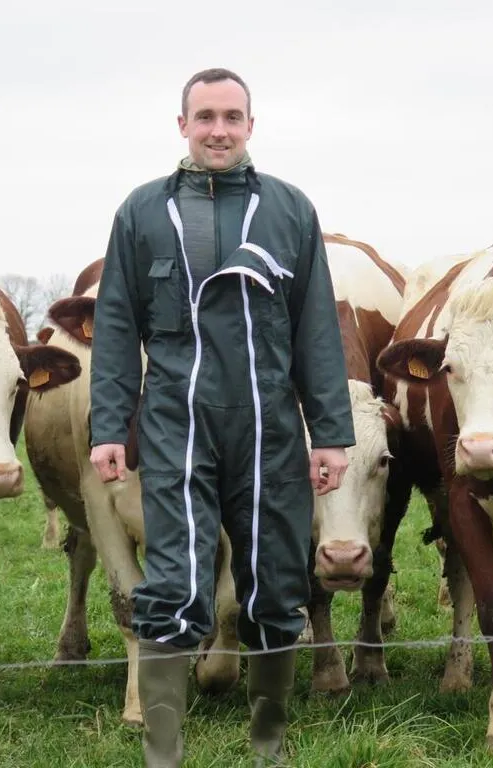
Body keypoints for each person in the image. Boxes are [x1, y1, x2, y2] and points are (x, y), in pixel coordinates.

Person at [89, 67, 354, 767]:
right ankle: (162, 750)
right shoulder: (142, 213)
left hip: (269, 421)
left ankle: (269, 741)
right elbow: (116, 327)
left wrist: (329, 433)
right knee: (172, 582)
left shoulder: (290, 211)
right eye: (204, 117)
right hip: (175, 419)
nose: (218, 130)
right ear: (182, 125)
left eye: (232, 117)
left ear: (250, 126)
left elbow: (316, 332)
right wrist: (109, 426)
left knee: (275, 582)